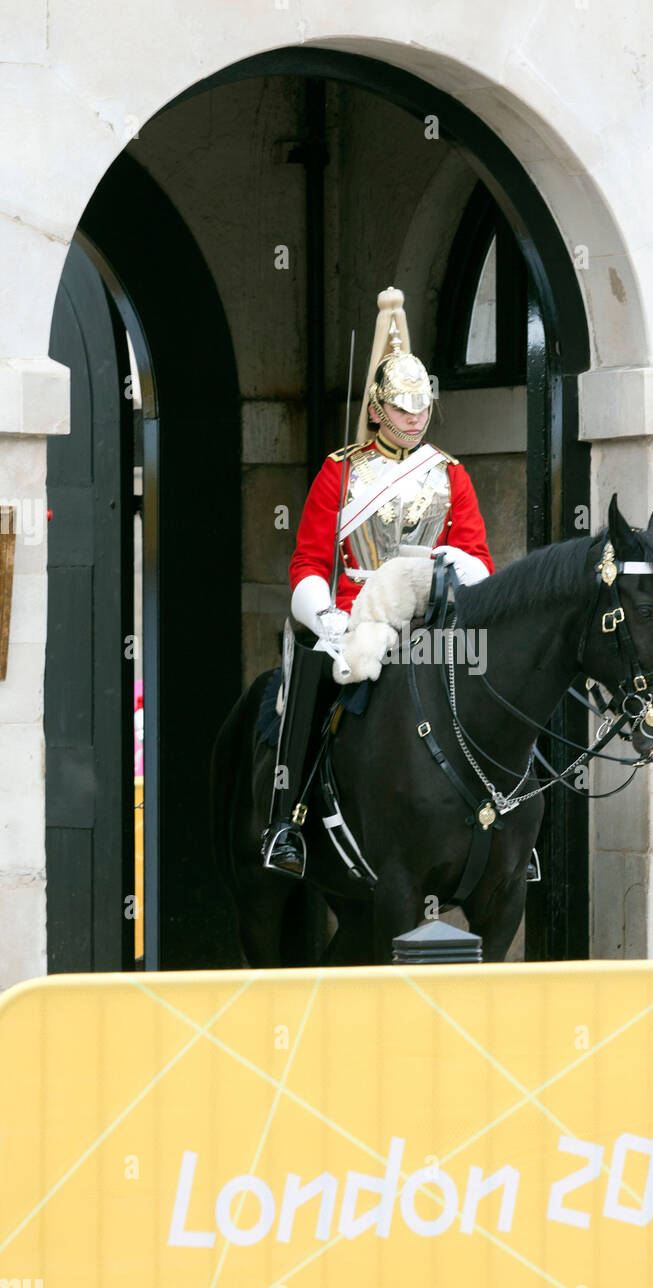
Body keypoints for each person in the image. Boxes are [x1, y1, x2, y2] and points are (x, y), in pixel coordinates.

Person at [262, 287, 494, 876]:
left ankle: (514, 824)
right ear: (376, 409)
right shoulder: (338, 474)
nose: (415, 418)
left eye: (422, 407)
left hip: (431, 617)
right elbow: (309, 562)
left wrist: (449, 564)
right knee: (310, 680)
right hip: (353, 616)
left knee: (499, 676)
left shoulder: (451, 477)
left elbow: (477, 558)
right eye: (403, 408)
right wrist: (327, 617)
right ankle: (287, 823)